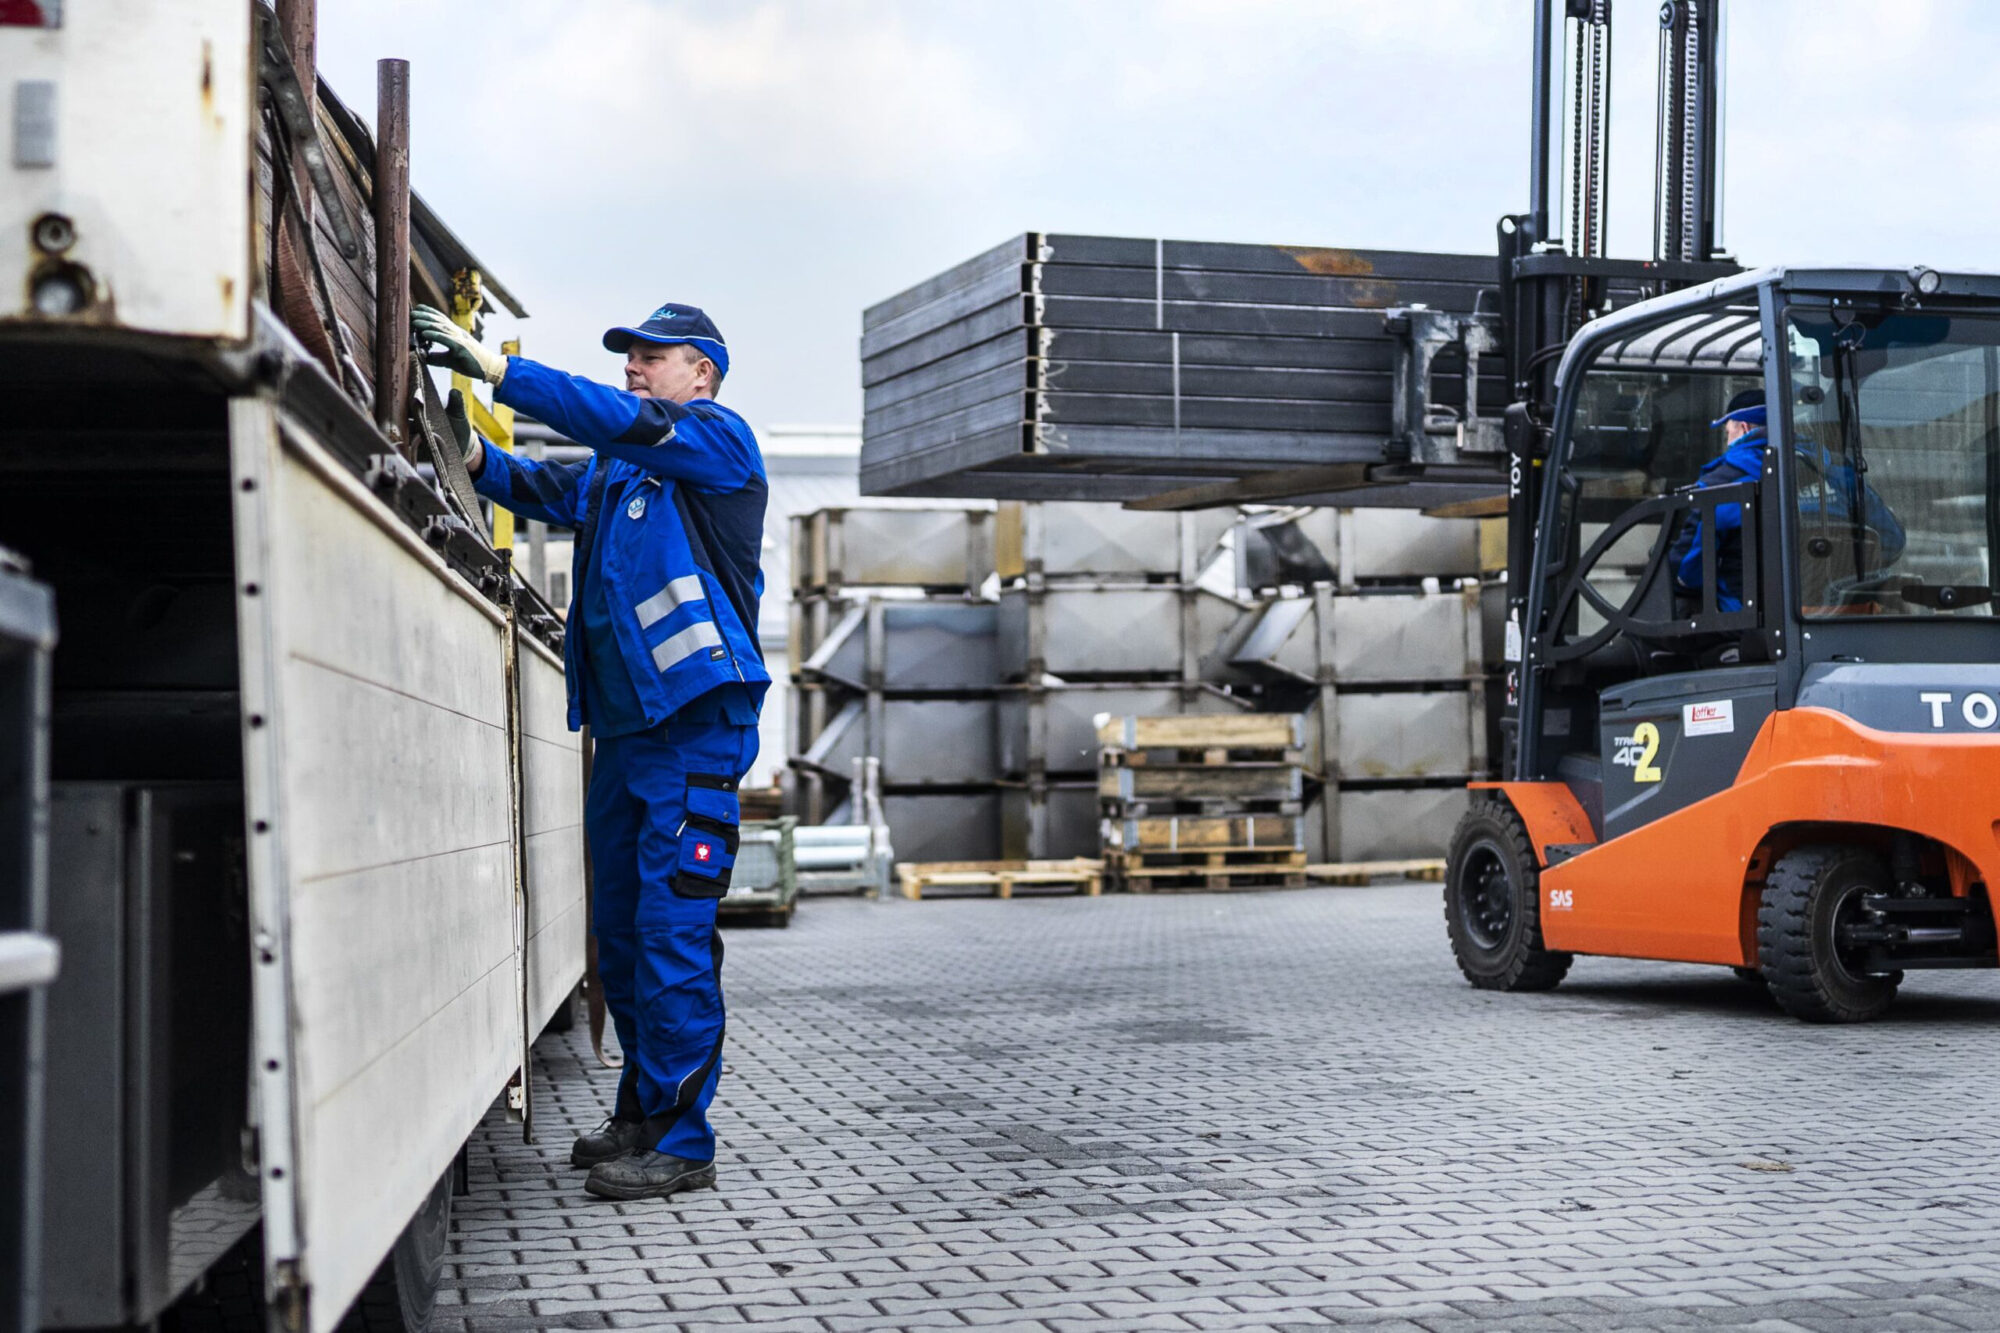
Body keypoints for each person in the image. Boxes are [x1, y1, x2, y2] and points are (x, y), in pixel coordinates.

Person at [413, 301, 767, 1202]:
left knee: (671, 936)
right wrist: (476, 455)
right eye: (630, 356)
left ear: (704, 373)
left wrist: (501, 375)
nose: (635, 367)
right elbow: (549, 489)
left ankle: (684, 1141)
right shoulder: (623, 472)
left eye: (654, 355)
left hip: (693, 731)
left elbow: (626, 422)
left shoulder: (717, 444)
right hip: (623, 738)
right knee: (620, 936)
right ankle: (641, 1115)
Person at [1669, 386, 1904, 614]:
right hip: (1841, 618)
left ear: (1743, 427)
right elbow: (1892, 540)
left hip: (1752, 622)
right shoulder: (1838, 472)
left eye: (1727, 431)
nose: (1727, 439)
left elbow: (1688, 572)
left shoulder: (1724, 482)